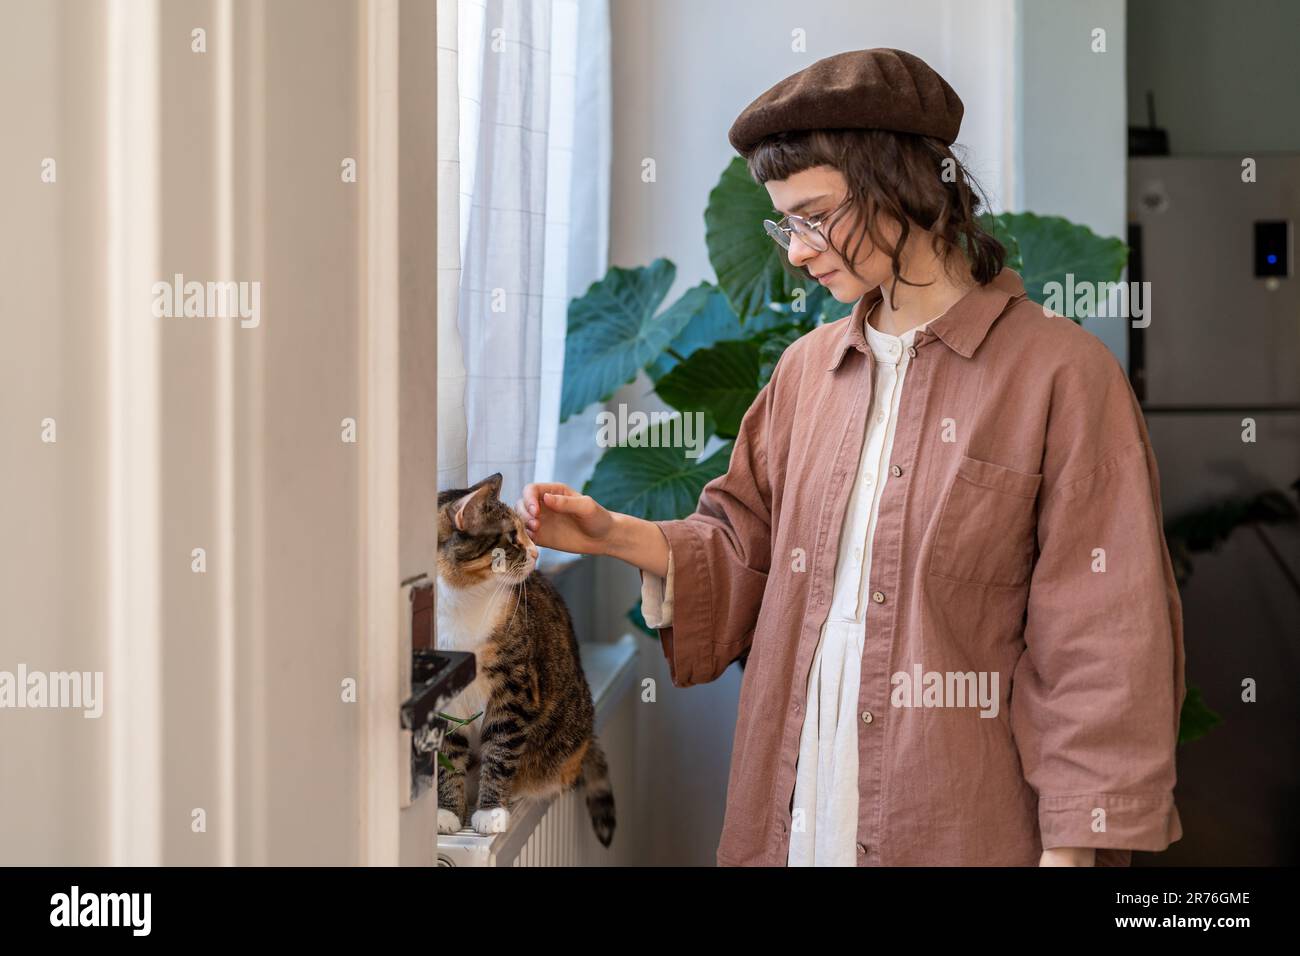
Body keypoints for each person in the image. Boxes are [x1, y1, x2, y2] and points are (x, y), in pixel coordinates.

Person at [520, 48, 1185, 867]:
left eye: (812, 215)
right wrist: (618, 534)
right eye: (782, 224)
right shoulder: (806, 372)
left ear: (900, 182)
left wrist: (1072, 852)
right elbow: (744, 548)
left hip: (962, 821)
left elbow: (1102, 637)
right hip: (801, 811)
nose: (795, 251)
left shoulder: (1061, 376)